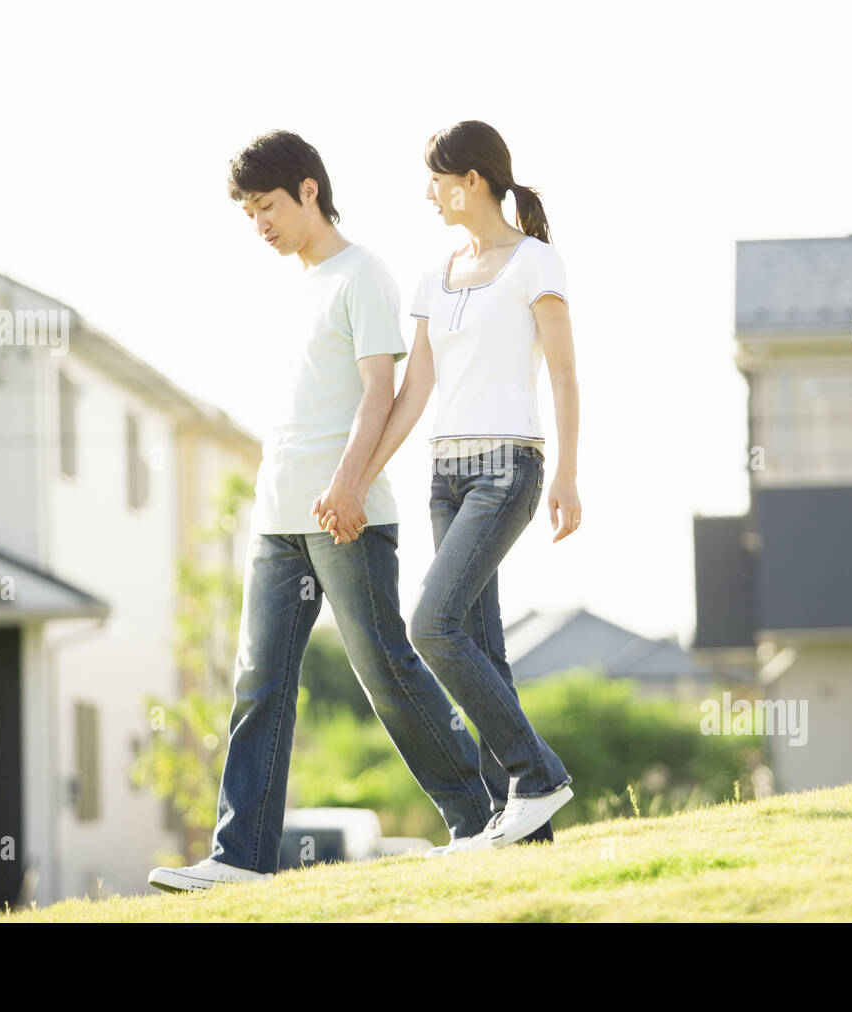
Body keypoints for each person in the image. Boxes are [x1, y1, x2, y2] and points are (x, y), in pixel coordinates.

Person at [148, 130, 493, 892]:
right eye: (247, 213)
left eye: (266, 205)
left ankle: (481, 817)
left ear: (309, 190)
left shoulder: (363, 274)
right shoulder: (298, 285)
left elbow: (381, 391)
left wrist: (348, 483)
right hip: (277, 518)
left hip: (348, 513)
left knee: (385, 671)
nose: (259, 223)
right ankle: (241, 858)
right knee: (258, 681)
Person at [316, 120, 581, 853]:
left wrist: (566, 472)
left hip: (508, 468)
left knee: (432, 625)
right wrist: (356, 480)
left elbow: (563, 372)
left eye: (438, 179)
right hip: (446, 475)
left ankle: (539, 773)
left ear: (473, 181)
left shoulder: (535, 263)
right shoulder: (436, 276)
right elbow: (413, 391)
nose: (429, 194)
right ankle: (520, 824)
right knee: (483, 648)